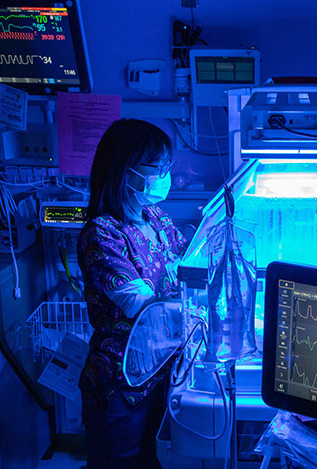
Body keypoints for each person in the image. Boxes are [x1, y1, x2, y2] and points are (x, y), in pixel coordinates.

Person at [77, 118, 188, 468]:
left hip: (161, 370)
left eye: (168, 166)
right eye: (159, 167)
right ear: (125, 171)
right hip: (121, 382)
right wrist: (192, 309)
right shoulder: (103, 234)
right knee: (121, 461)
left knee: (153, 460)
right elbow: (141, 305)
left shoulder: (155, 218)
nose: (166, 176)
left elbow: (187, 265)